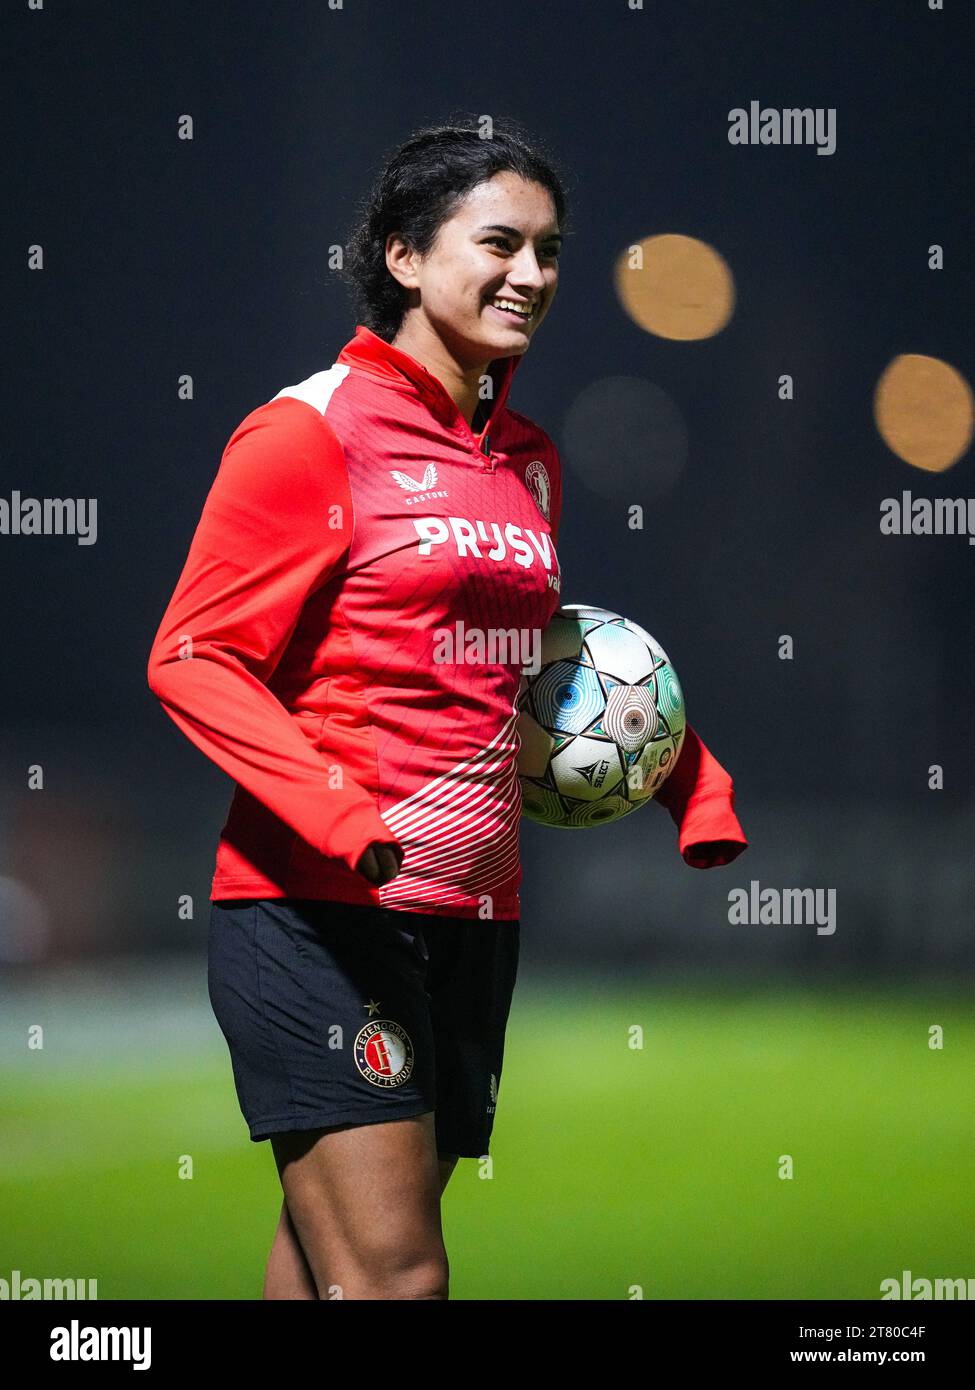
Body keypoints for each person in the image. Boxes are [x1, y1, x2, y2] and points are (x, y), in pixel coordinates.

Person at [146, 119, 747, 1301]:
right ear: (405, 257)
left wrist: (692, 779)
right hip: (322, 910)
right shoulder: (309, 432)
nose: (533, 274)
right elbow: (195, 655)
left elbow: (536, 665)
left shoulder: (525, 459)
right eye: (501, 243)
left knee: (326, 1270)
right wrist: (337, 813)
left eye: (551, 250)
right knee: (398, 1278)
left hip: (473, 907)